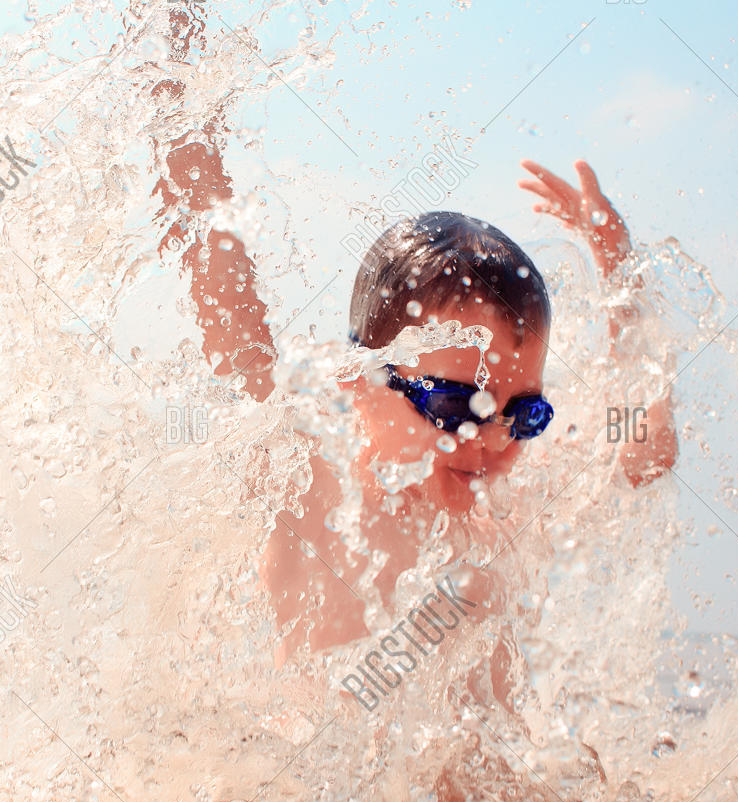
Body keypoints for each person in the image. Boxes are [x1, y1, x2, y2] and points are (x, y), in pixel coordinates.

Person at [153, 2, 675, 666]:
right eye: (458, 405)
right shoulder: (303, 479)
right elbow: (220, 285)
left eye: (526, 413)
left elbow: (644, 450)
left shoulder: (502, 514)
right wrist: (176, 68)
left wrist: (618, 269)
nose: (490, 440)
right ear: (361, 381)